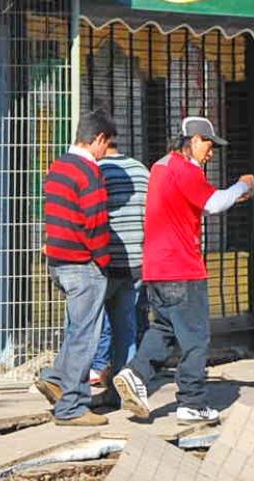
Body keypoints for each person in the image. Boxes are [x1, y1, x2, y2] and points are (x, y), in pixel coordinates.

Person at [137, 116, 253, 423]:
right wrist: (244, 183)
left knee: (163, 330)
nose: (212, 152)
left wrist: (233, 195)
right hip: (183, 268)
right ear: (194, 140)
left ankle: (135, 376)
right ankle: (192, 401)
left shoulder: (161, 167)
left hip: (155, 268)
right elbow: (214, 204)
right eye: (209, 145)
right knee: (196, 339)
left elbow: (195, 204)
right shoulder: (186, 169)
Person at [34, 108, 117, 428]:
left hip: (58, 260)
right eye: (105, 144)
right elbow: (95, 222)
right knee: (86, 335)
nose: (105, 152)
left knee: (76, 330)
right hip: (83, 263)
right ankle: (72, 406)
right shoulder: (89, 171)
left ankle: (55, 378)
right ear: (97, 139)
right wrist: (104, 260)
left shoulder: (58, 167)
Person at [94, 139, 148, 413]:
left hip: (105, 262)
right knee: (126, 328)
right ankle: (125, 389)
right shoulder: (140, 170)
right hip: (136, 263)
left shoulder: (97, 170)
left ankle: (76, 388)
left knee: (88, 325)